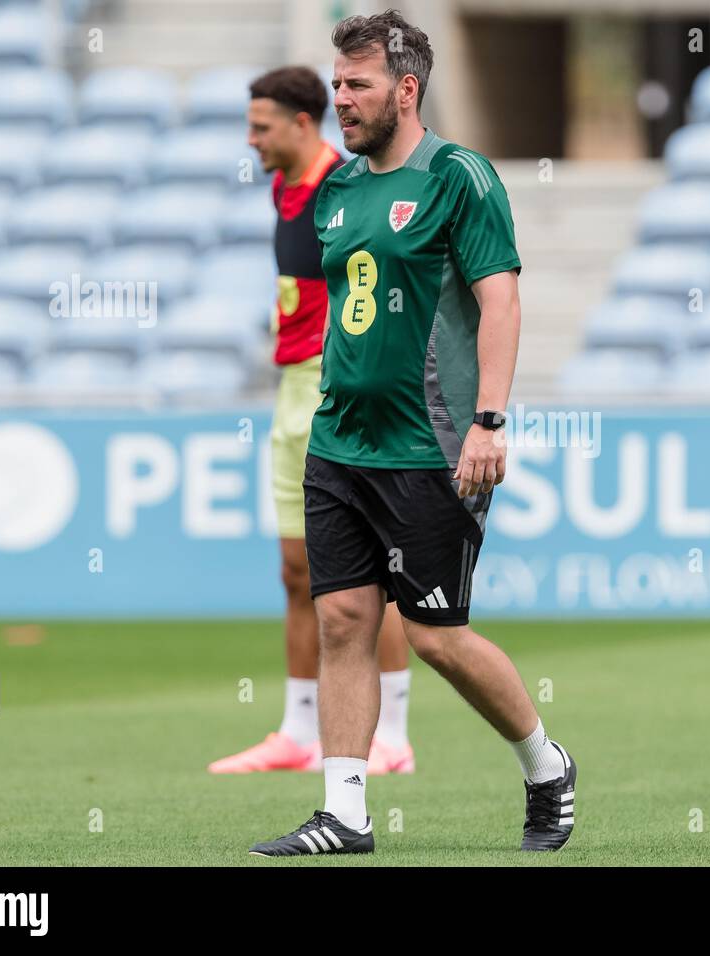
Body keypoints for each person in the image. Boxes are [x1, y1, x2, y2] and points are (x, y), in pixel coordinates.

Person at [249, 10, 575, 857]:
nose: (341, 99)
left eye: (356, 84)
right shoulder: (340, 189)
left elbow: (499, 299)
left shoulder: (458, 177)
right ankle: (346, 814)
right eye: (336, 83)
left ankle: (546, 766)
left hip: (429, 446)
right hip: (338, 442)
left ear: (406, 88)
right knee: (346, 620)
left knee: (436, 638)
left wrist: (489, 422)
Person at [209, 65, 414, 778]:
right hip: (289, 393)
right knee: (296, 570)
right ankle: (298, 733)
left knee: (368, 574)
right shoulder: (284, 187)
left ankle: (392, 733)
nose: (251, 138)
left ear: (303, 123)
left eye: (261, 126)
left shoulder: (342, 185)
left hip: (338, 392)